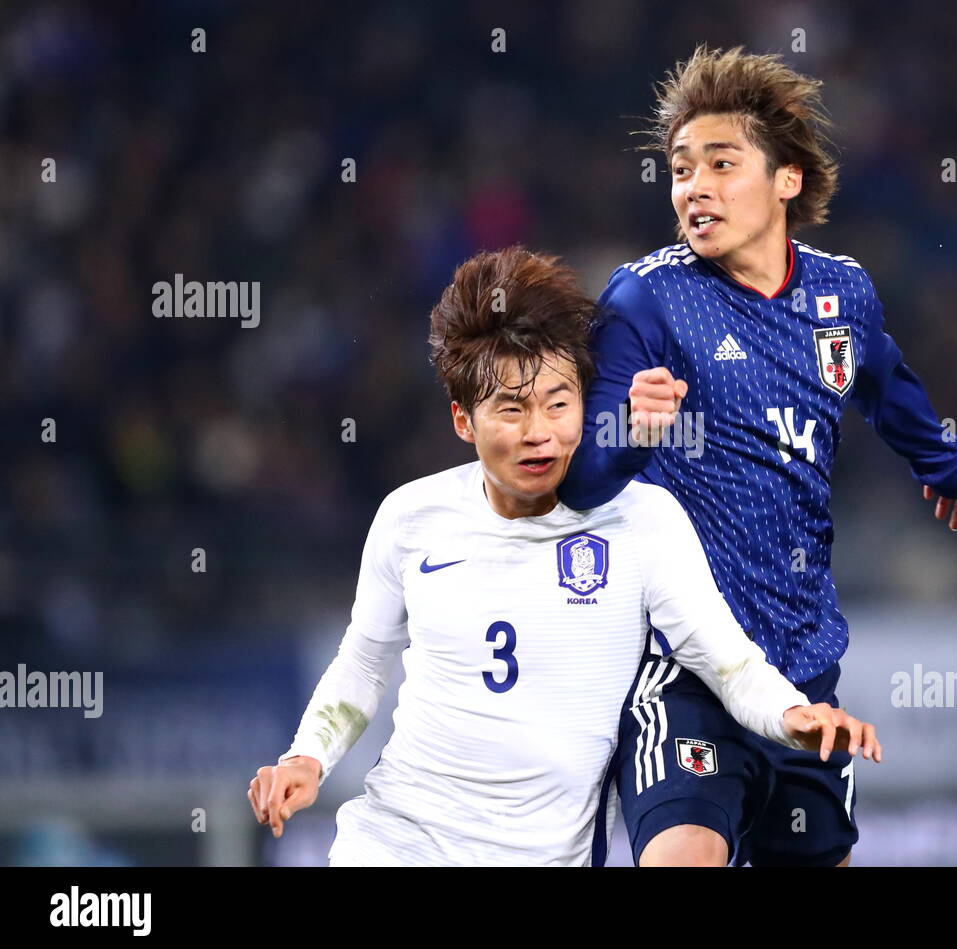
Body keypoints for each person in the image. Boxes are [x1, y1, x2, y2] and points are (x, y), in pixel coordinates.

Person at [247, 246, 880, 866]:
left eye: (558, 403)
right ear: (463, 421)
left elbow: (727, 661)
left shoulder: (643, 519)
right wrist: (307, 758)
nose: (539, 432)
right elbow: (363, 664)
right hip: (398, 841)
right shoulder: (411, 518)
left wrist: (791, 713)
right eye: (510, 409)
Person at [558, 46, 957, 867]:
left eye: (721, 164)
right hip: (680, 671)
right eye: (680, 169)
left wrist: (952, 472)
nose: (693, 186)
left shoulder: (841, 294)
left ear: (785, 180)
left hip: (802, 676)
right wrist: (631, 435)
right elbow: (581, 485)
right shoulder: (645, 298)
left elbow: (889, 389)